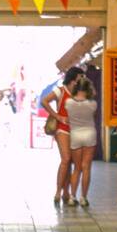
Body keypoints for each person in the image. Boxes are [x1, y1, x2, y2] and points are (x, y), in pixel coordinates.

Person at [40, 66, 82, 205]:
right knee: (66, 158)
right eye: (80, 77)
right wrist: (57, 116)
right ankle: (58, 191)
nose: (82, 80)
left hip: (75, 129)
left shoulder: (80, 92)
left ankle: (66, 192)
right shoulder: (61, 90)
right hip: (62, 129)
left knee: (70, 162)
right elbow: (44, 101)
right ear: (73, 78)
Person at [67, 75, 97, 207]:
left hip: (75, 135)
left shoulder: (69, 103)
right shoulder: (92, 104)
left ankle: (72, 197)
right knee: (86, 168)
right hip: (89, 134)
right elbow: (93, 97)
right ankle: (83, 197)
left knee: (77, 168)